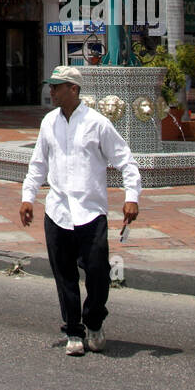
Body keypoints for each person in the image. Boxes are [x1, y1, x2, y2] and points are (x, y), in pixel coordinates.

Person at [20, 65, 141, 357]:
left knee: (98, 273)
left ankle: (94, 321)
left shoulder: (98, 124)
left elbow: (126, 161)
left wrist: (132, 197)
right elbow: (38, 164)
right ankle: (73, 330)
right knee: (64, 276)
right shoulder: (49, 122)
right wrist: (28, 197)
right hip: (58, 211)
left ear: (73, 89)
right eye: (50, 86)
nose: (51, 91)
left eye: (57, 86)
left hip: (91, 212)